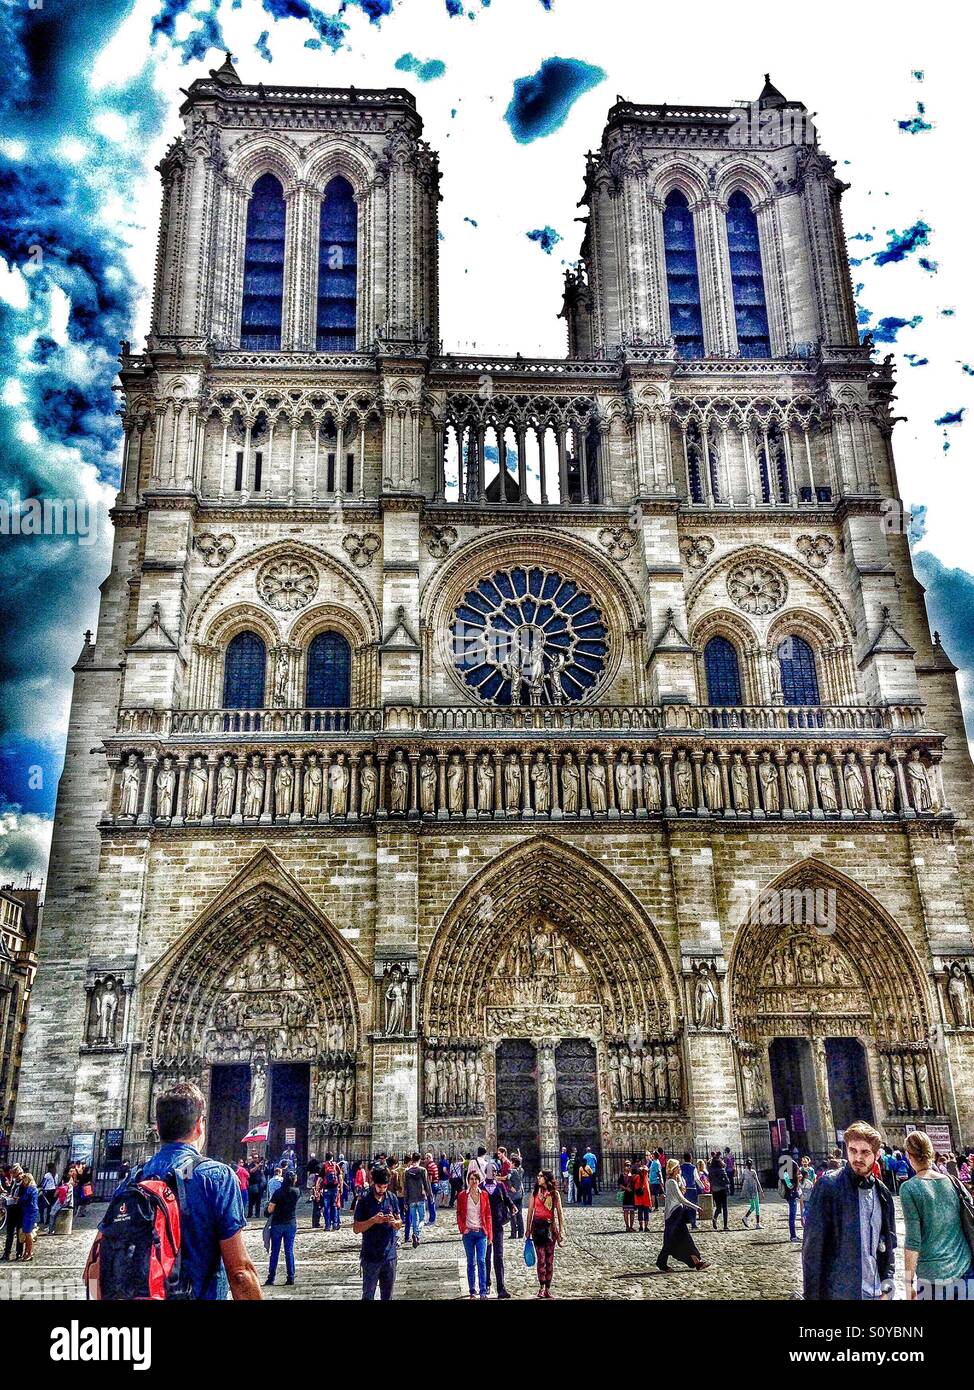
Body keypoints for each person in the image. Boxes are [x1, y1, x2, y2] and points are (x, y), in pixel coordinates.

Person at [117, 1081, 260, 1299]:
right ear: (200, 1125)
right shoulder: (216, 1178)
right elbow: (240, 1273)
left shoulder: (132, 1180)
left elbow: (98, 1267)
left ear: (157, 1128)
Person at [802, 1120, 896, 1301]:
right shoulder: (829, 1187)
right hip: (840, 1294)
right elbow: (812, 1251)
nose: (858, 1158)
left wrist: (888, 1290)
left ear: (876, 1155)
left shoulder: (883, 1193)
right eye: (853, 1151)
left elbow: (889, 1248)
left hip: (877, 1294)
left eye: (865, 1152)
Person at [900, 1129, 974, 1300]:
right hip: (964, 1268)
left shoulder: (909, 1188)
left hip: (933, 1279)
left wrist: (907, 1283)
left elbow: (913, 1240)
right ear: (931, 1153)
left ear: (909, 1155)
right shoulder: (951, 1181)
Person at [353, 1165, 403, 1300]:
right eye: (380, 1187)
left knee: (388, 1296)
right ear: (374, 1183)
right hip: (371, 1256)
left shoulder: (391, 1198)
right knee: (368, 1295)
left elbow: (400, 1223)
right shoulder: (364, 1200)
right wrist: (373, 1220)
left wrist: (394, 1222)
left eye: (385, 1187)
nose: (382, 1190)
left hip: (389, 1256)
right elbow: (356, 1228)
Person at [657, 1159, 708, 1273]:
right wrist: (697, 1207)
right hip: (673, 1215)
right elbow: (681, 1199)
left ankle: (696, 1262)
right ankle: (661, 1262)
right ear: (674, 1169)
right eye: (678, 1167)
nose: (680, 1169)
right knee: (670, 1241)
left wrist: (680, 1180)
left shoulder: (674, 1181)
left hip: (678, 1214)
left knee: (686, 1239)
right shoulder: (671, 1182)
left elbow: (681, 1193)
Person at [525, 1169, 565, 1299]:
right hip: (537, 1227)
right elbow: (530, 1211)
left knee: (549, 1260)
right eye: (538, 1175)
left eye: (541, 1176)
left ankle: (547, 1287)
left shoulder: (554, 1194)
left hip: (550, 1228)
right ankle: (541, 1287)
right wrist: (527, 1229)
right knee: (541, 1259)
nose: (538, 1177)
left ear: (547, 1178)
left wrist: (561, 1230)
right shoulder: (535, 1193)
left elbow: (559, 1213)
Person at [456, 1167, 492, 1299]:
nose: (474, 1181)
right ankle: (472, 1290)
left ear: (479, 1180)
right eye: (471, 1179)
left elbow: (488, 1215)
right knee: (471, 1262)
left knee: (481, 1261)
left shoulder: (484, 1195)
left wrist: (489, 1234)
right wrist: (462, 1228)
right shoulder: (462, 1195)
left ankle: (483, 1290)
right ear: (468, 1181)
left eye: (476, 1179)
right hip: (468, 1233)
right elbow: (459, 1213)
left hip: (481, 1232)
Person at [484, 1169, 517, 1298]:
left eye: (494, 1172)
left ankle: (501, 1288)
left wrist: (512, 1206)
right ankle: (486, 1283)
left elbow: (507, 1198)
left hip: (497, 1224)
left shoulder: (500, 1185)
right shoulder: (481, 1187)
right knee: (486, 1257)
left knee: (498, 1256)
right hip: (485, 1226)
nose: (492, 1174)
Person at [265, 1170, 298, 1287]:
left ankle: (271, 1277)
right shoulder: (296, 1192)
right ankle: (291, 1277)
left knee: (275, 1251)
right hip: (291, 1223)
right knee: (289, 1251)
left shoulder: (278, 1193)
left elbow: (270, 1209)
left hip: (278, 1223)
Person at [403, 1152, 434, 1248]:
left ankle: (416, 1236)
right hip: (421, 1197)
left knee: (414, 1219)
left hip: (411, 1199)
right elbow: (426, 1184)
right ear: (419, 1159)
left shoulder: (407, 1172)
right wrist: (430, 1195)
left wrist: (405, 1201)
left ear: (412, 1159)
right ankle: (417, 1234)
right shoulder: (422, 1170)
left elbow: (406, 1187)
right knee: (422, 1219)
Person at [1, 1165, 24, 1260]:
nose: (13, 1175)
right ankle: (7, 1253)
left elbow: (25, 1196)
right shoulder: (15, 1182)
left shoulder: (24, 1183)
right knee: (9, 1232)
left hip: (20, 1209)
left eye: (14, 1173)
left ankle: (19, 1252)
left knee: (19, 1232)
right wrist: (8, 1195)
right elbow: (12, 1192)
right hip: (12, 1208)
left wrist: (16, 1198)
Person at [778, 1147, 800, 1241]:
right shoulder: (790, 1167)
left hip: (789, 1193)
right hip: (791, 1193)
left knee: (793, 1215)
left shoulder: (783, 1167)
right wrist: (793, 1187)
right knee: (792, 1215)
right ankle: (793, 1235)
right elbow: (789, 1182)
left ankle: (793, 1234)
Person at [17, 1173, 39, 1263]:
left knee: (27, 1233)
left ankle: (29, 1253)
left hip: (29, 1211)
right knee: (27, 1233)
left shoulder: (29, 1189)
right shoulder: (34, 1188)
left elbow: (24, 1199)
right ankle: (27, 1252)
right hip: (31, 1211)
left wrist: (17, 1199)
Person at [318, 1153, 343, 1231]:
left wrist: (317, 1187)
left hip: (326, 1189)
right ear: (332, 1157)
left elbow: (320, 1178)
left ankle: (327, 1226)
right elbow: (340, 1178)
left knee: (326, 1207)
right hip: (335, 1188)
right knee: (334, 1206)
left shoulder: (324, 1165)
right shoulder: (335, 1165)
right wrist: (341, 1187)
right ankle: (335, 1224)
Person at [708, 1151, 729, 1231]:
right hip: (722, 1189)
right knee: (725, 1208)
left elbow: (710, 1179)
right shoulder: (722, 1170)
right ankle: (725, 1226)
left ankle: (715, 1218)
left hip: (715, 1189)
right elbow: (727, 1180)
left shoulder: (711, 1170)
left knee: (718, 1207)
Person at [740, 1158, 763, 1229]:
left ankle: (745, 1217)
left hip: (748, 1191)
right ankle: (757, 1223)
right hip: (754, 1190)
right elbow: (757, 1182)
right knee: (757, 1207)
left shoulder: (744, 1172)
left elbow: (741, 1181)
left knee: (752, 1206)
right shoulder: (753, 1172)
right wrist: (761, 1191)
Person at [508, 1151, 526, 1239]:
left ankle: (514, 1233)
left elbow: (507, 1179)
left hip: (513, 1195)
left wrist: (511, 1186)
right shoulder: (521, 1170)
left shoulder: (512, 1171)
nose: (510, 1164)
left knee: (513, 1213)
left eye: (511, 1162)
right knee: (519, 1213)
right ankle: (521, 1232)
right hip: (520, 1194)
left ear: (513, 1163)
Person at [679, 1152, 699, 1229]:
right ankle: (693, 1223)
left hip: (684, 1189)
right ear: (690, 1158)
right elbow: (697, 1179)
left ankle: (683, 1223)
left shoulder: (681, 1167)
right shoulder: (693, 1168)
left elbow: (680, 1178)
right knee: (693, 1206)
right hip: (692, 1188)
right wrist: (702, 1187)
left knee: (684, 1205)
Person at [633, 1155, 652, 1231]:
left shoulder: (642, 1173)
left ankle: (644, 1226)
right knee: (642, 1212)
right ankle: (643, 1226)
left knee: (643, 1211)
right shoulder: (637, 1172)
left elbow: (646, 1169)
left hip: (642, 1194)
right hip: (641, 1194)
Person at [619, 1159, 637, 1232]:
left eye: (629, 1165)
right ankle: (627, 1226)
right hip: (626, 1194)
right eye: (627, 1165)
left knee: (632, 1211)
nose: (628, 1167)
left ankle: (631, 1226)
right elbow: (620, 1185)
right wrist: (626, 1188)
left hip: (632, 1194)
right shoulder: (622, 1175)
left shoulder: (632, 1175)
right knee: (626, 1211)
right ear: (624, 1166)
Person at [38, 1162, 58, 1228]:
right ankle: (48, 1220)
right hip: (53, 1191)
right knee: (49, 1206)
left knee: (41, 1205)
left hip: (47, 1191)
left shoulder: (47, 1175)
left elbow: (43, 1183)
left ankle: (42, 1219)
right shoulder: (56, 1175)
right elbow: (56, 1183)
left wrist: (40, 1187)